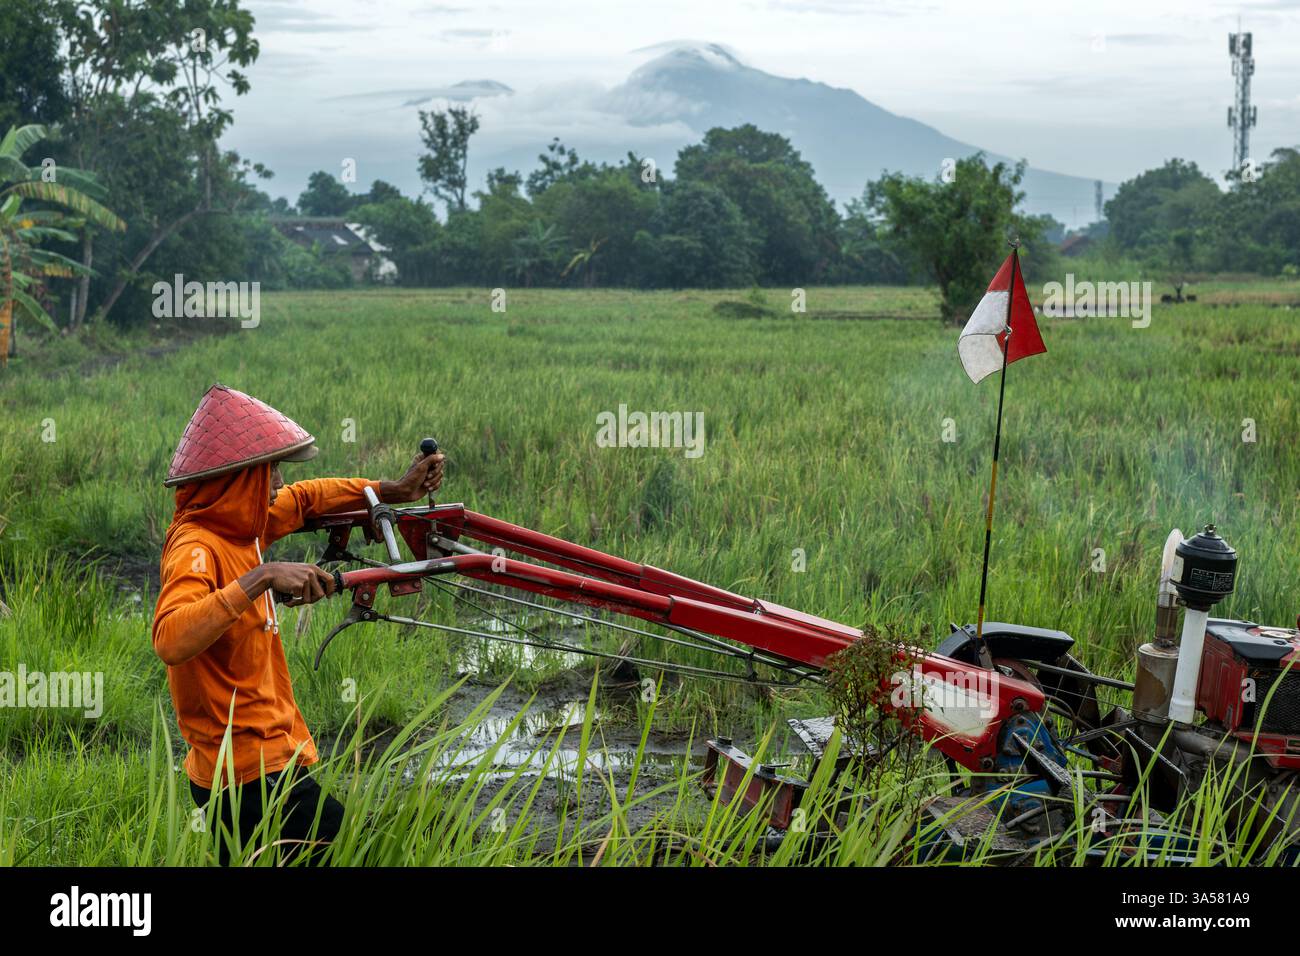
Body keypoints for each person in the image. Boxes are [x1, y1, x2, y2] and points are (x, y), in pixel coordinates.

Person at [151, 384, 444, 864]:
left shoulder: (239, 524)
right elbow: (171, 638)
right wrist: (262, 577)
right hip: (247, 776)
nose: (277, 486)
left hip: (258, 765)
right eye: (270, 473)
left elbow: (309, 498)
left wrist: (392, 491)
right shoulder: (197, 548)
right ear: (239, 480)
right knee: (356, 851)